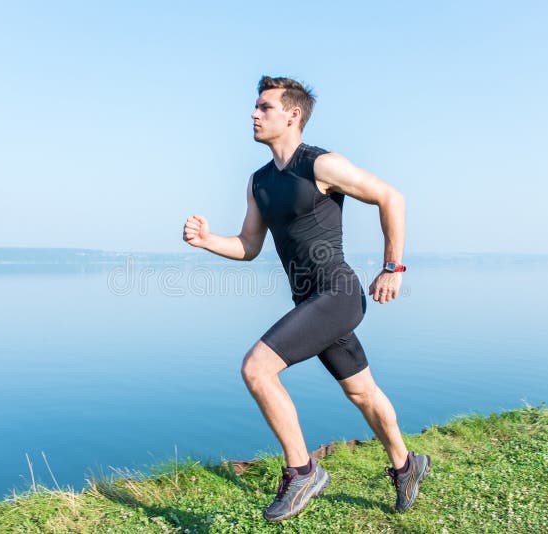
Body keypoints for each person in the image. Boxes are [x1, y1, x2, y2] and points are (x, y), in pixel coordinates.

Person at [182, 75, 430, 522]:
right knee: (363, 393)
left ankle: (302, 471)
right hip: (309, 302)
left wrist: (392, 267)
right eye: (255, 107)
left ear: (292, 114)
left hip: (337, 294)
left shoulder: (319, 164)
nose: (254, 114)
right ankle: (407, 465)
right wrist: (207, 241)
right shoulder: (258, 182)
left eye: (264, 107)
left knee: (257, 368)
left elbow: (391, 197)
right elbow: (248, 246)